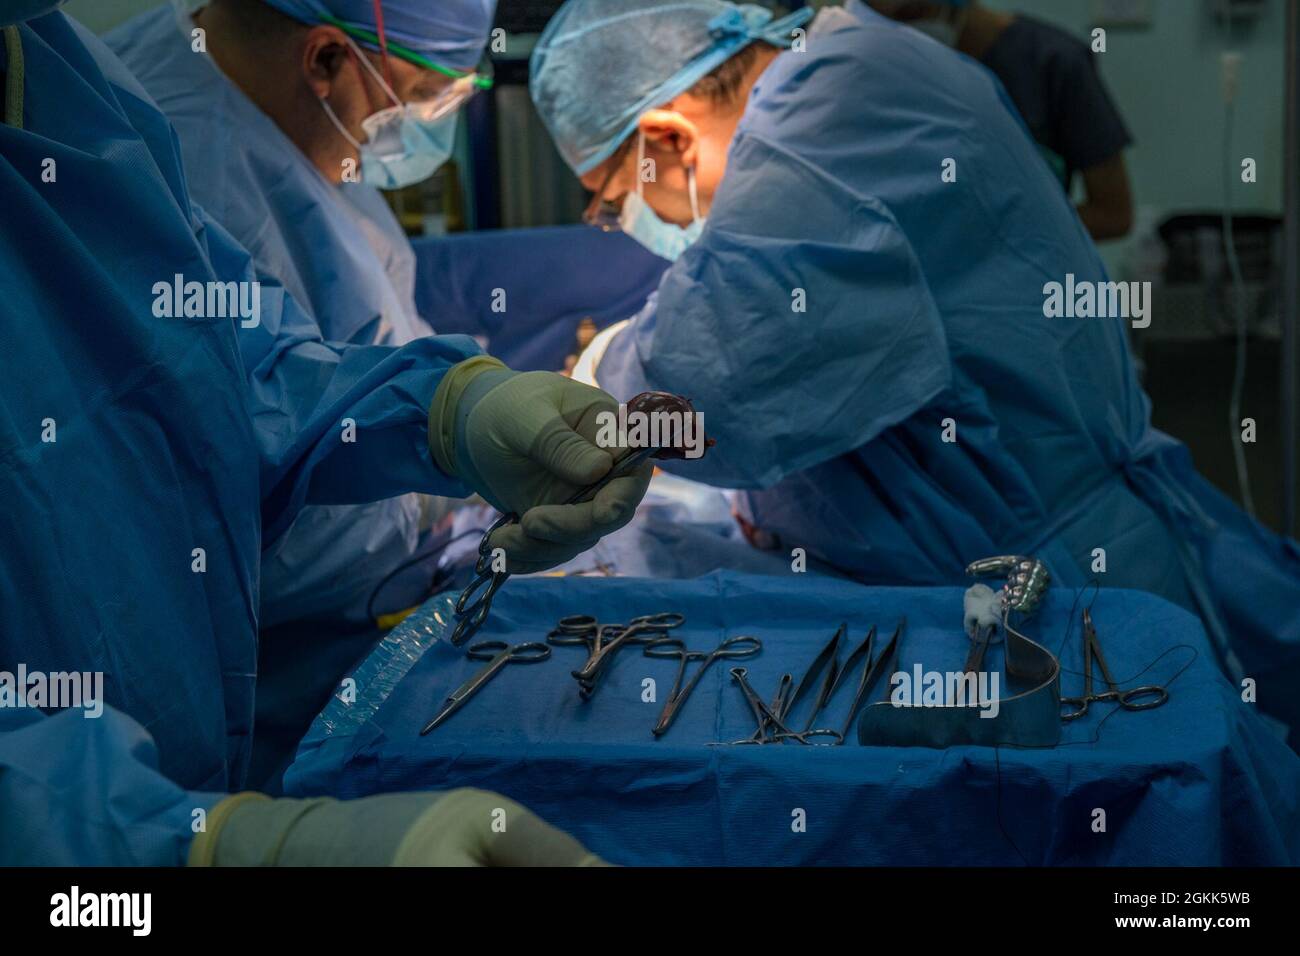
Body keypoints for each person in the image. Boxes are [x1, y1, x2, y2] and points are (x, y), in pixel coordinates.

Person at [531, 0, 1300, 744]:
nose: (629, 225)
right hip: (1042, 554)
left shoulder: (825, 115)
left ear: (665, 137)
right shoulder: (857, 59)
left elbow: (708, 380)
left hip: (1061, 597)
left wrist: (602, 373)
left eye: (614, 202)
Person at [0, 3, 649, 864]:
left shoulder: (55, 68)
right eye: (422, 97)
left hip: (192, 739)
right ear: (328, 59)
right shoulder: (191, 126)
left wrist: (443, 410)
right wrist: (201, 846)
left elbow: (220, 359)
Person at [107, 0, 495, 631]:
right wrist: (437, 459)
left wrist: (462, 405)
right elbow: (234, 524)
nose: (418, 128)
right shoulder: (175, 165)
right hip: (280, 670)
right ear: (325, 57)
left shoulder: (289, 114)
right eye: (422, 97)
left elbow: (364, 323)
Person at [867, 0, 1134, 240]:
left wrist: (998, 238)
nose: (897, 28)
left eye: (910, 12)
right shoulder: (884, 67)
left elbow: (1113, 214)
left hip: (1027, 284)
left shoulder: (1053, 62)